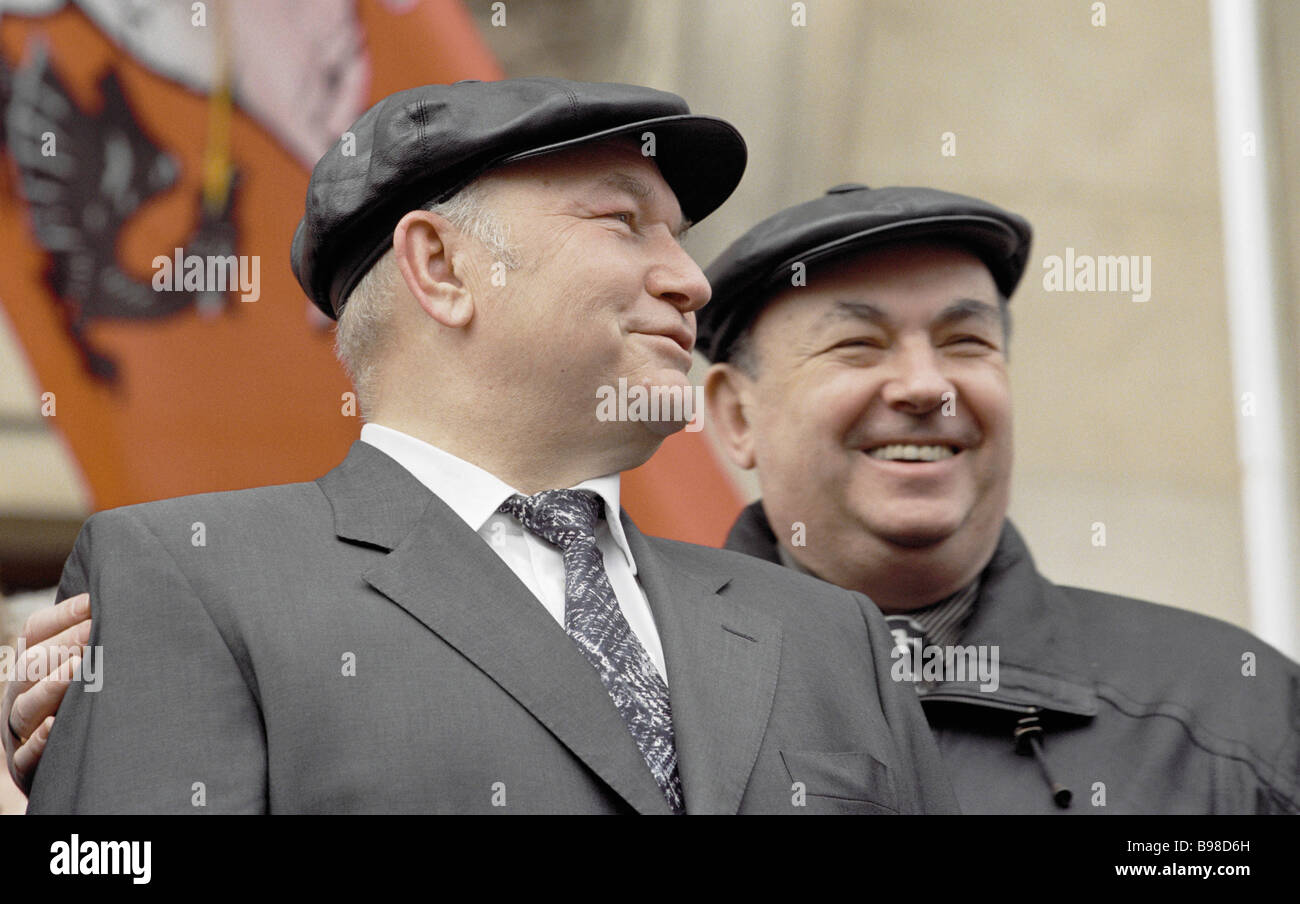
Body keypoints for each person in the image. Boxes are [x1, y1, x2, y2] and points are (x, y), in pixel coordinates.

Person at [15, 81, 956, 814]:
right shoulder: (190, 583)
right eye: (625, 222)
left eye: (680, 237)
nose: (690, 283)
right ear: (442, 265)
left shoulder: (833, 636)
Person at [698, 182, 1300, 813]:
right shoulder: (636, 703)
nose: (928, 386)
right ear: (738, 416)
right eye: (858, 345)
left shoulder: (1232, 719)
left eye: (966, 343)